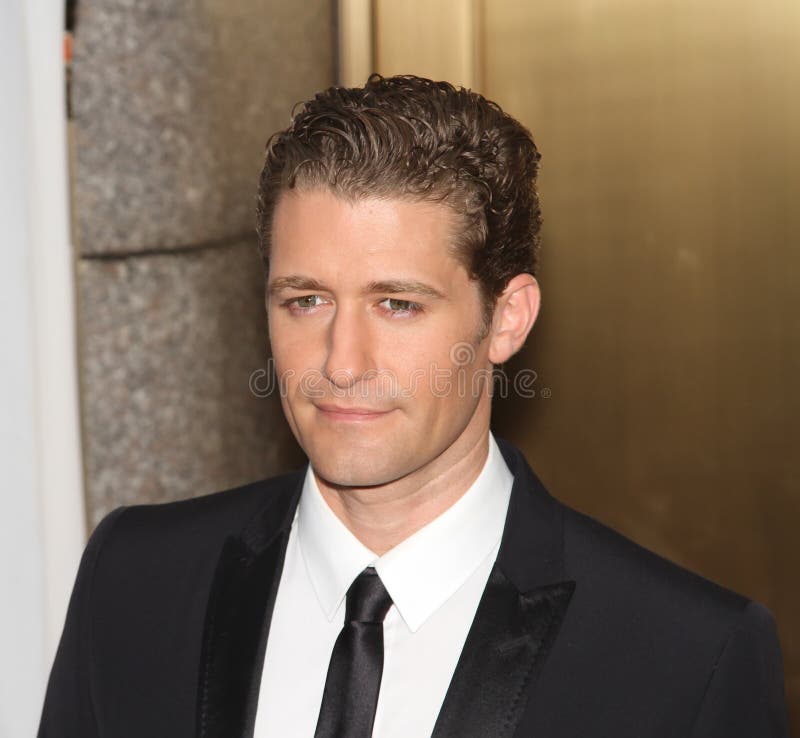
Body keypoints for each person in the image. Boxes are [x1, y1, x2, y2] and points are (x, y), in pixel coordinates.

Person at [39, 74, 789, 738]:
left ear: (506, 319)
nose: (341, 363)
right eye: (305, 301)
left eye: (397, 304)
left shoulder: (687, 657)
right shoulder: (135, 580)